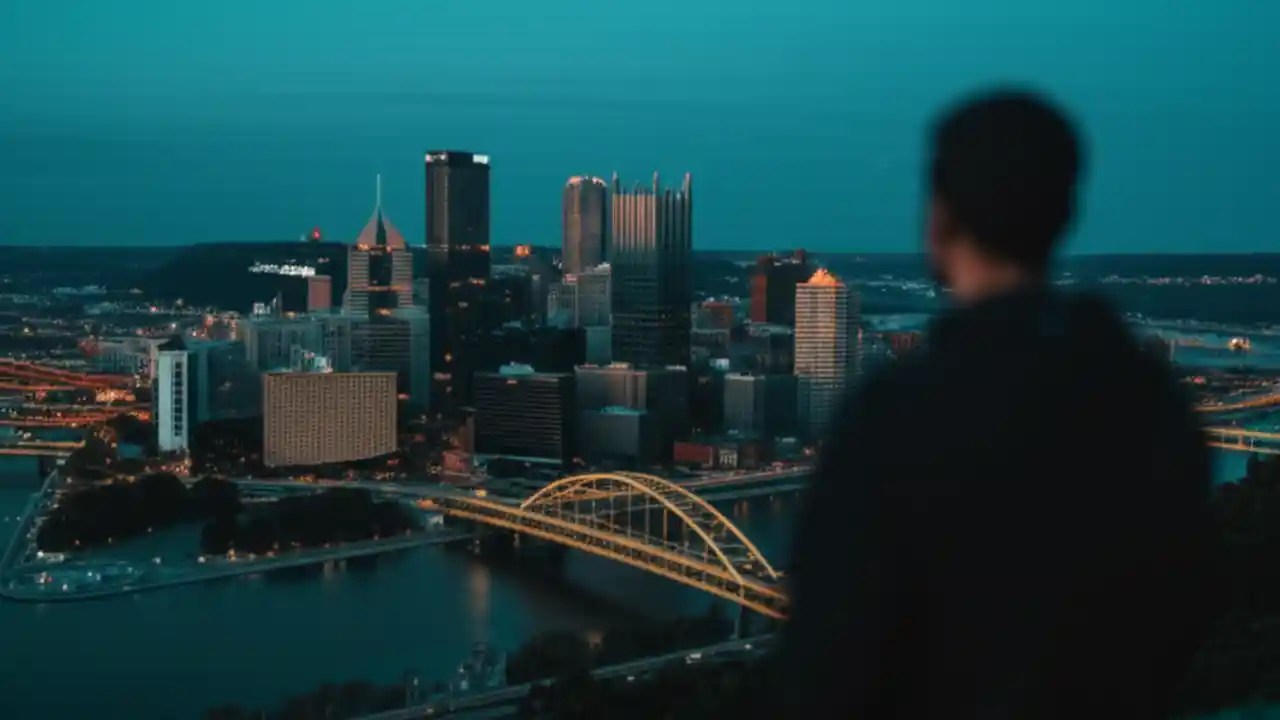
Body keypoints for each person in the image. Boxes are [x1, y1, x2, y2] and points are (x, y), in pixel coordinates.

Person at [772, 90, 1214, 718]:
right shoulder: (1153, 407)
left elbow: (829, 662)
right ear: (1066, 213)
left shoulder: (894, 417)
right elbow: (1180, 623)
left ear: (940, 221)